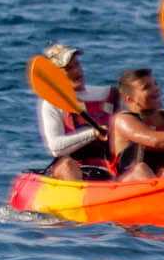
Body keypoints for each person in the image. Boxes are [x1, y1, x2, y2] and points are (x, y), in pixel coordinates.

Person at [35, 44, 116, 180]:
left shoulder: (107, 94)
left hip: (107, 166)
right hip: (72, 168)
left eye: (77, 64)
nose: (76, 71)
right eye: (68, 68)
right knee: (67, 166)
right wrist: (93, 133)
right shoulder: (51, 103)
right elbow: (56, 147)